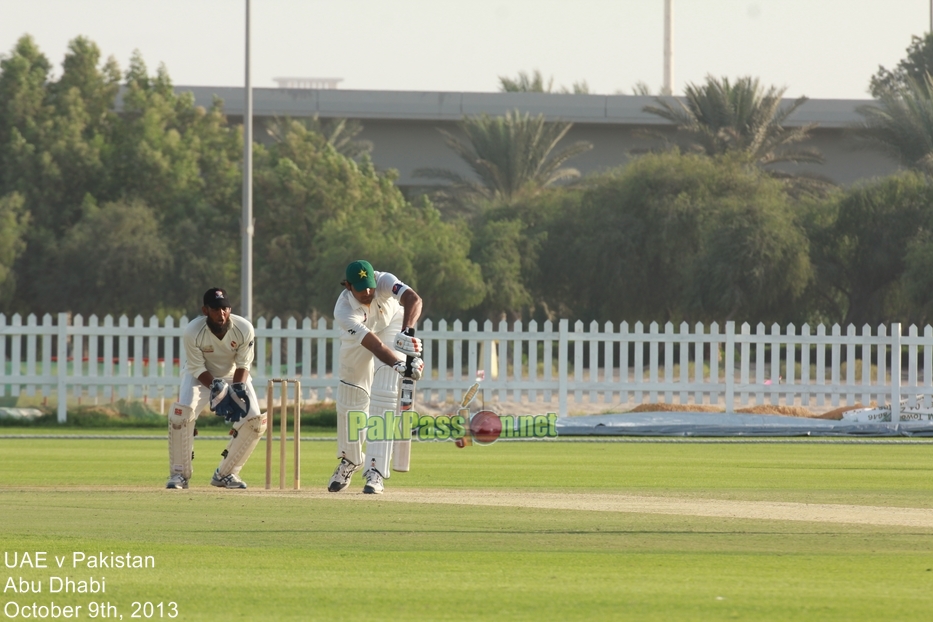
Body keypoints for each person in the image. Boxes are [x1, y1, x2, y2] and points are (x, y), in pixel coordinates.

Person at [328, 260, 424, 494]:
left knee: (385, 390)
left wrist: (406, 333)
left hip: (392, 325)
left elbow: (414, 299)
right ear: (349, 286)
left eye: (370, 286)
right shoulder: (343, 311)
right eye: (361, 288)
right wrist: (401, 364)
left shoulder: (384, 280)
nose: (368, 292)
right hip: (360, 340)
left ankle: (375, 470)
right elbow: (375, 345)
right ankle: (351, 459)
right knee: (351, 398)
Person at [166, 287, 265, 490]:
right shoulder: (193, 331)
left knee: (254, 421)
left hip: (232, 375)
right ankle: (179, 475)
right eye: (215, 309)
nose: (221, 314)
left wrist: (236, 388)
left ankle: (227, 473)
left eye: (225, 309)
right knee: (181, 415)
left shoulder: (244, 328)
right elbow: (196, 367)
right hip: (199, 376)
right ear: (205, 310)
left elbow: (244, 364)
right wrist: (215, 387)